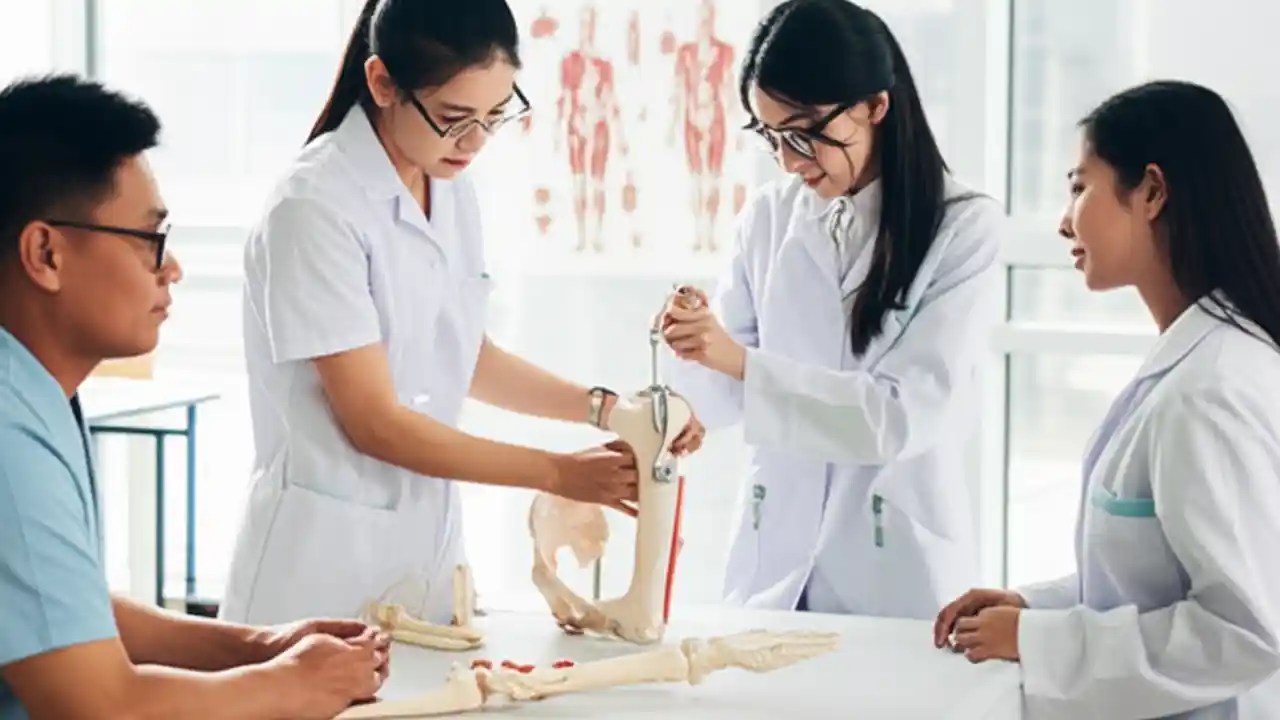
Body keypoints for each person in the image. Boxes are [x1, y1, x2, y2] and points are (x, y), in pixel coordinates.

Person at [221, 0, 703, 627]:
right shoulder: (313, 207)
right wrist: (557, 472)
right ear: (382, 83)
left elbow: (462, 354)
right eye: (454, 119)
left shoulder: (448, 186)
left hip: (424, 560)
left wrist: (612, 410)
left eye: (495, 116)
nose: (474, 142)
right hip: (319, 572)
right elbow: (375, 423)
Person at [0, 75, 387, 720]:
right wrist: (293, 684)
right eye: (149, 241)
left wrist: (261, 647)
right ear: (46, 253)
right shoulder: (10, 435)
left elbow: (60, 610)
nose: (171, 268)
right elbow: (99, 706)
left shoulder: (32, 392)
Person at [934, 80, 1280, 719]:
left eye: (1078, 187)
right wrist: (1033, 609)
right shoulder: (1196, 362)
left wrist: (1038, 641)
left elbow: (1245, 632)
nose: (1064, 220)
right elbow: (1153, 584)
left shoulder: (1210, 390)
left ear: (1151, 192)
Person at [659, 0, 1006, 620]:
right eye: (771, 136)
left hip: (894, 570)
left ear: (875, 105)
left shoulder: (962, 228)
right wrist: (689, 362)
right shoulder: (767, 218)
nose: (790, 161)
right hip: (774, 559)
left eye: (803, 133)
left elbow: (900, 417)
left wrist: (736, 360)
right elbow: (721, 391)